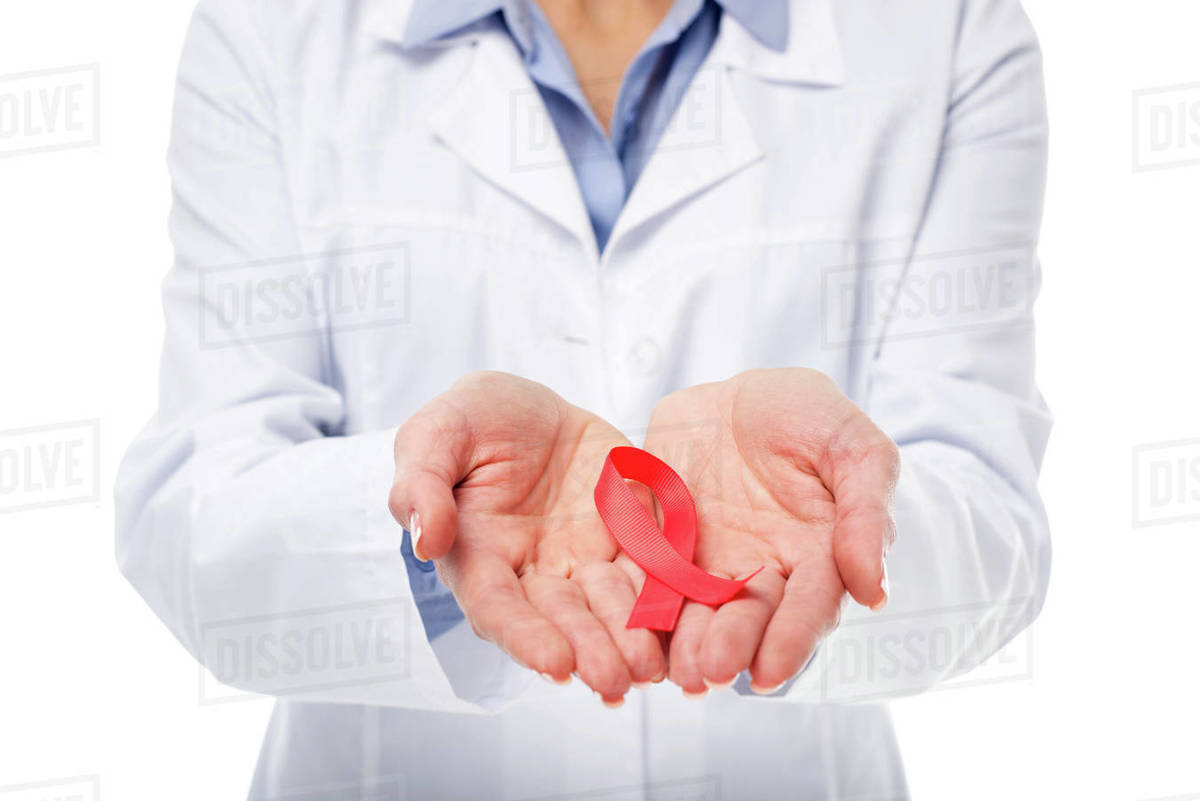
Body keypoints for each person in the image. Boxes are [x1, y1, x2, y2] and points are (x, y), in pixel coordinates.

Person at [115, 0, 1052, 797]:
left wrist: (847, 515)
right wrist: (429, 527)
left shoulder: (948, 29)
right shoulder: (272, 28)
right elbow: (197, 513)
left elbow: (989, 512)